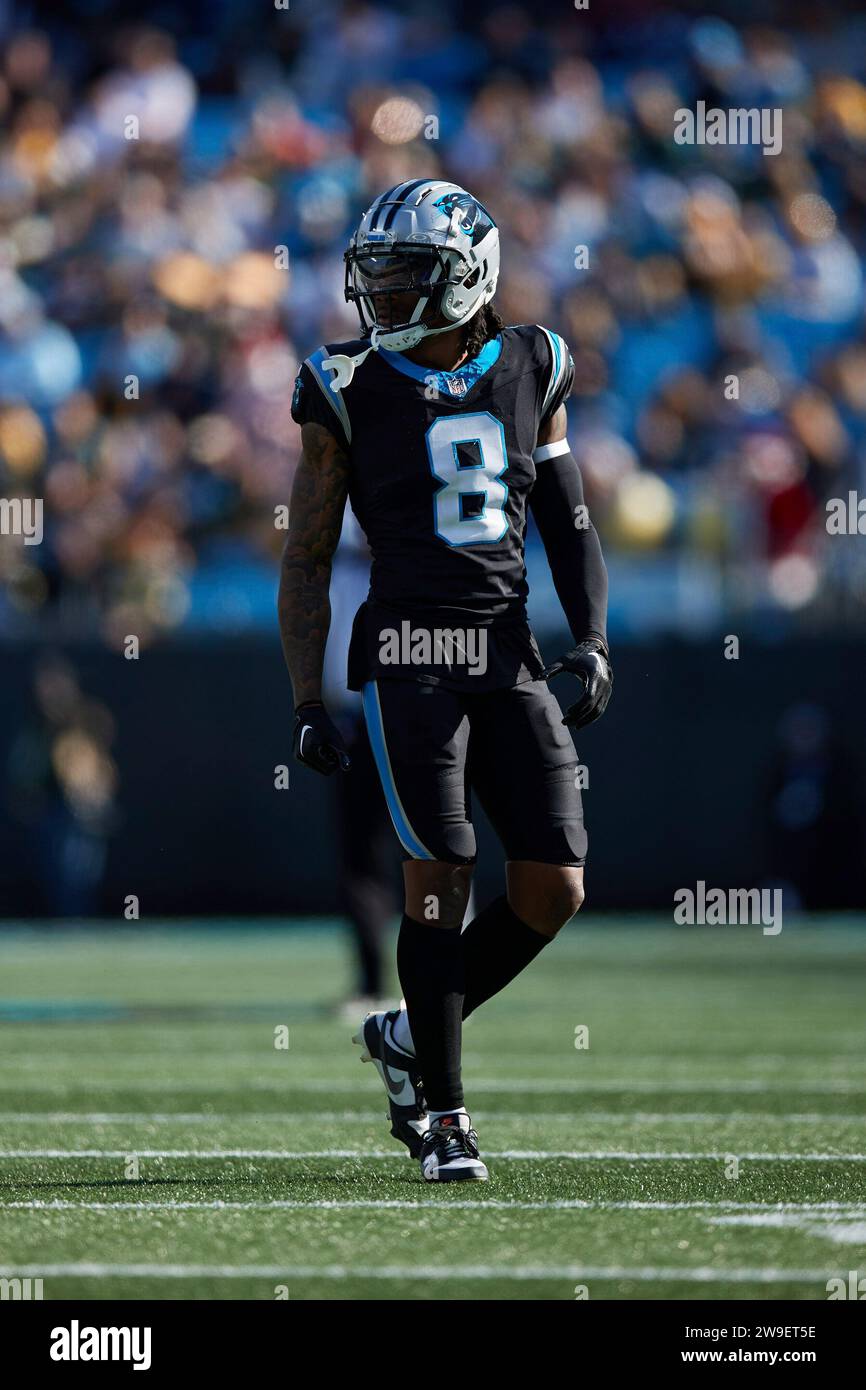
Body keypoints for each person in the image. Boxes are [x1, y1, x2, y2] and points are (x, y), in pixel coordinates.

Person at [279, 180, 612, 1182]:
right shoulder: (342, 382)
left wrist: (590, 637)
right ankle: (443, 1117)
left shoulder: (533, 361)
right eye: (372, 275)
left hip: (503, 649)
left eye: (404, 274)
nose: (380, 296)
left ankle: (403, 1033)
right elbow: (305, 552)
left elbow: (568, 518)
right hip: (407, 657)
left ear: (468, 276)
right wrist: (305, 695)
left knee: (553, 884)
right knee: (439, 877)